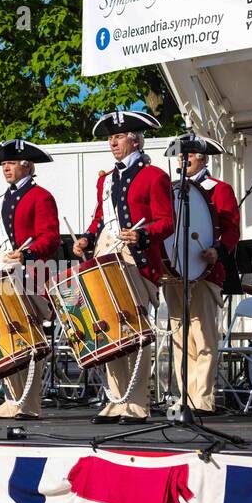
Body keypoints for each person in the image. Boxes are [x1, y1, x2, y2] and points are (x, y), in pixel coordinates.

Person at [74, 110, 174, 425]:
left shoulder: (155, 176)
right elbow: (100, 218)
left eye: (117, 137)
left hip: (137, 260)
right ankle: (117, 400)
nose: (112, 142)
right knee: (109, 332)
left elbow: (167, 222)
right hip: (104, 257)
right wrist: (87, 239)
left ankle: (137, 402)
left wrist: (143, 234)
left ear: (134, 140)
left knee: (136, 332)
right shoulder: (105, 179)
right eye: (110, 137)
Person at [161, 136, 239, 416]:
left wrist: (217, 250)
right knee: (181, 338)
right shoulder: (169, 191)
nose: (185, 159)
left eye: (191, 155)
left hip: (206, 271)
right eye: (182, 155)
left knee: (203, 336)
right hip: (175, 272)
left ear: (204, 158)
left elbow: (232, 230)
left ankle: (202, 398)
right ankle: (185, 397)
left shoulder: (220, 189)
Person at [0, 139, 60, 421]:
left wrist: (27, 253)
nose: (5, 168)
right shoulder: (2, 200)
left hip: (28, 274)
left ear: (27, 165)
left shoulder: (41, 196)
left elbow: (50, 236)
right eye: (4, 164)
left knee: (29, 338)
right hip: (1, 274)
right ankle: (12, 398)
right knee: (8, 338)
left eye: (11, 163)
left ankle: (28, 402)